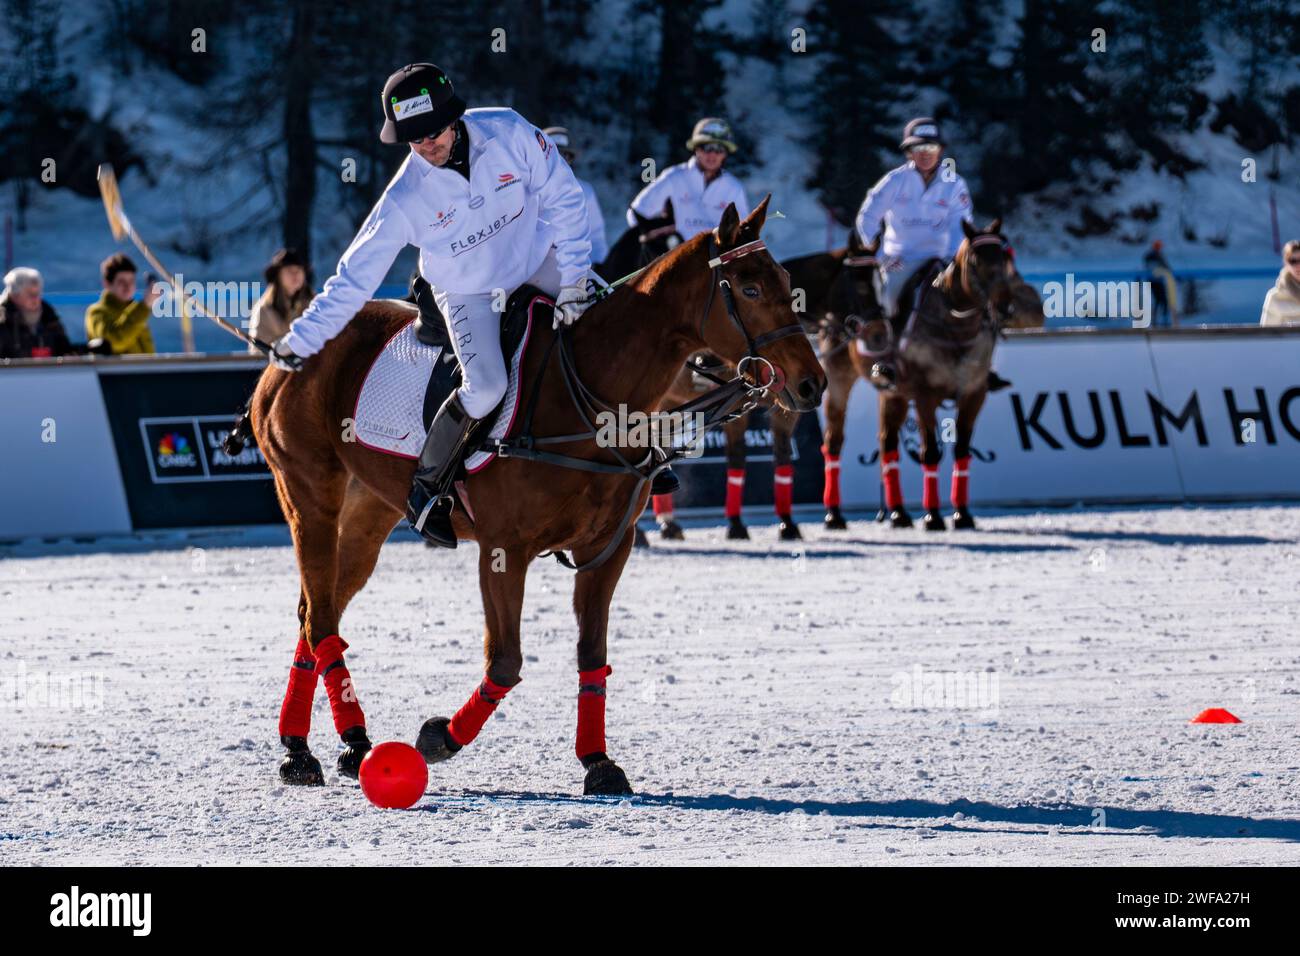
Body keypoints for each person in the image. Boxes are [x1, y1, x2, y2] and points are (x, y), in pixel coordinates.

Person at [269, 63, 597, 548]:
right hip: (466, 291)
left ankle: (640, 441)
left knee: (611, 313)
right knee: (485, 387)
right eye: (413, 139)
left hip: (533, 255)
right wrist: (303, 340)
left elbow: (565, 198)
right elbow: (355, 276)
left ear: (454, 118)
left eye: (432, 132)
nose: (427, 145)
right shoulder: (405, 196)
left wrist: (573, 280)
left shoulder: (508, 130)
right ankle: (428, 486)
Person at [855, 117, 973, 389]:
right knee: (888, 301)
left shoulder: (954, 183)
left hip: (943, 260)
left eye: (930, 148)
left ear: (940, 151)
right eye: (918, 148)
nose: (925, 154)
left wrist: (953, 258)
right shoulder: (895, 180)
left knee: (970, 298)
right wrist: (882, 255)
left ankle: (972, 361)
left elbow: (961, 225)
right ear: (909, 152)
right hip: (901, 260)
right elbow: (868, 217)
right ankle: (886, 361)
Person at [627, 117, 749, 239]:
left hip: (716, 257)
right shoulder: (673, 177)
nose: (712, 154)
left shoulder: (734, 188)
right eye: (707, 147)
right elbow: (636, 214)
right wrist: (659, 240)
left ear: (726, 153)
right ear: (696, 148)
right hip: (676, 255)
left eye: (719, 149)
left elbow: (742, 232)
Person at [543, 126, 608, 265]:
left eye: (565, 156)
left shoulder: (585, 191)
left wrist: (599, 265)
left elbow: (596, 237)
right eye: (555, 154)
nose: (560, 161)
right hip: (531, 271)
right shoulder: (525, 188)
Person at [85, 253, 158, 354]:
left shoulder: (137, 312)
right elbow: (114, 342)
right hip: (115, 370)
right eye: (121, 282)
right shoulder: (97, 312)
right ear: (107, 283)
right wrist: (144, 306)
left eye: (131, 281)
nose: (128, 286)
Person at [248, 248, 313, 352]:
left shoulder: (315, 305)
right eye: (289, 270)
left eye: (299, 270)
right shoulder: (264, 309)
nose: (295, 274)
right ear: (278, 275)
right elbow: (257, 351)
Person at [0, 267, 73, 359]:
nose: (35, 298)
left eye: (38, 293)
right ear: (14, 295)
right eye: (30, 294)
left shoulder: (49, 317)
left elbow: (65, 351)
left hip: (50, 372)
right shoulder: (2, 320)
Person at [1259, 240, 1300, 326]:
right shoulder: (1275, 297)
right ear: (1286, 263)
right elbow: (1267, 334)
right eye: (1293, 261)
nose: (1298, 265)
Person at [1143, 240, 1177, 327]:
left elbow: (1166, 267)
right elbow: (1165, 267)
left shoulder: (1155, 256)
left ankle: (1160, 319)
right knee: (1161, 300)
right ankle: (1159, 320)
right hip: (1154, 282)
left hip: (1157, 281)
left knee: (1160, 301)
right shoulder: (1153, 256)